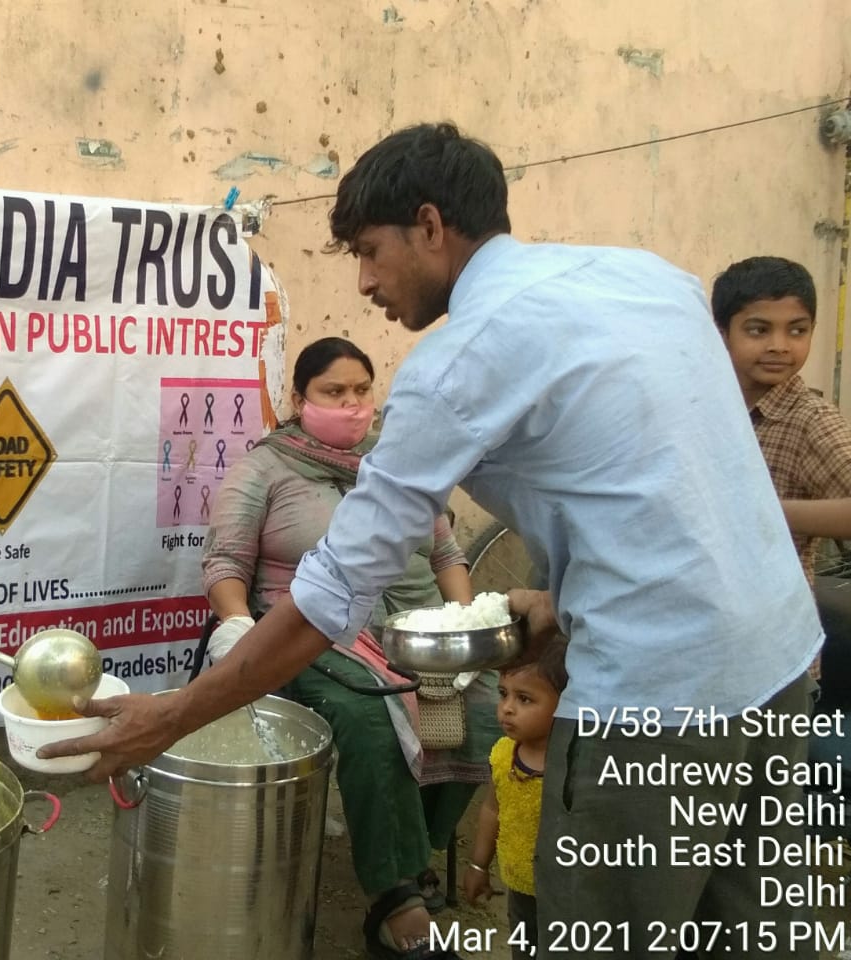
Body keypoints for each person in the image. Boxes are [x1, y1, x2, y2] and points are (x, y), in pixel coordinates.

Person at [44, 123, 821, 959]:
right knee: (759, 932)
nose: (365, 279)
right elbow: (668, 491)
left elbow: (329, 594)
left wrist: (170, 718)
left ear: (429, 224)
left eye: (369, 251)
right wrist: (564, 602)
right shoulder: (650, 279)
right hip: (783, 661)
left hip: (657, 703)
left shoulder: (457, 362)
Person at [202, 336, 499, 957]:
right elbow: (227, 563)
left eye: (362, 390)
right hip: (314, 628)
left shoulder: (396, 463)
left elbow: (446, 552)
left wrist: (463, 620)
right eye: (333, 392)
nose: (352, 404)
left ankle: (410, 845)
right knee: (372, 717)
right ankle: (397, 898)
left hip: (414, 627)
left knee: (481, 702)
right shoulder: (264, 468)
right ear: (298, 398)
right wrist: (238, 627)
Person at [711, 255, 851, 587]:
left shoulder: (810, 420)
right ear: (721, 333)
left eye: (797, 331)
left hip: (770, 621)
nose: (779, 346)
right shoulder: (701, 406)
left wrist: (764, 510)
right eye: (758, 330)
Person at [462, 637, 568, 960]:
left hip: (566, 893)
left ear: (566, 703)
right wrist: (479, 865)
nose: (507, 708)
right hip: (520, 886)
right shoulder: (503, 756)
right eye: (503, 694)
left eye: (524, 699)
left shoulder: (574, 766)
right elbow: (492, 810)